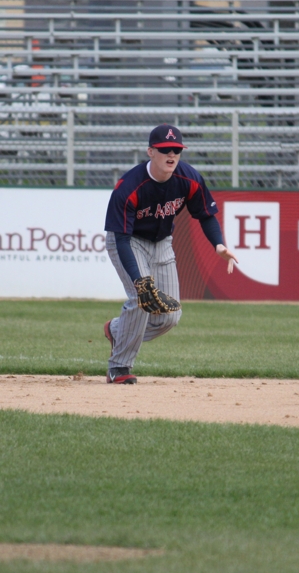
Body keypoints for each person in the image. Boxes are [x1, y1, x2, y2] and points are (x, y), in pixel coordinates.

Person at [102, 124, 238, 384]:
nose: (171, 154)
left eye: (176, 149)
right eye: (165, 149)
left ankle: (117, 330)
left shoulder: (189, 178)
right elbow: (121, 239)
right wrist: (138, 281)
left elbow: (206, 215)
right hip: (129, 241)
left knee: (170, 316)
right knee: (141, 301)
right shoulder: (129, 186)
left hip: (162, 242)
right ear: (151, 152)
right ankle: (119, 367)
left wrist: (218, 245)